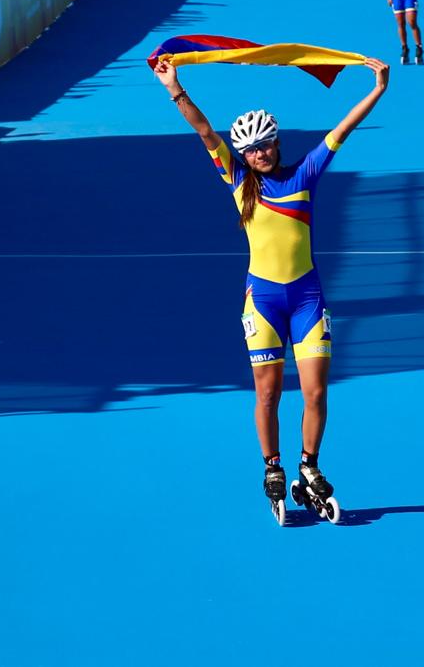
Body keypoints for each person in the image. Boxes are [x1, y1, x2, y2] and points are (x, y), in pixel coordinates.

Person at [152, 53, 390, 524]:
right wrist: (173, 87)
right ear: (242, 155)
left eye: (266, 145)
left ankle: (309, 467)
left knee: (316, 392)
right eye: (252, 149)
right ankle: (273, 468)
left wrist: (377, 89)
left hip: (306, 299)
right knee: (268, 394)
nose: (260, 153)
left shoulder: (305, 174)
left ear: (276, 143)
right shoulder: (238, 181)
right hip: (262, 302)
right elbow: (204, 132)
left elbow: (342, 129)